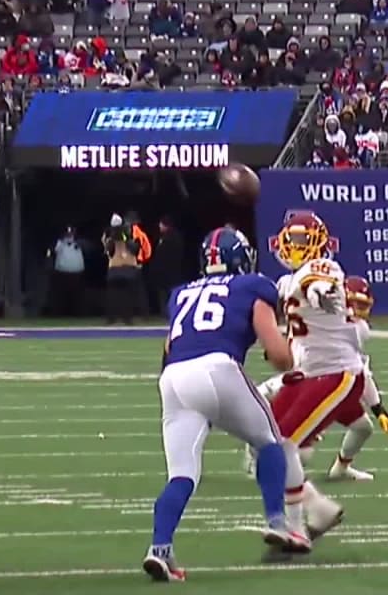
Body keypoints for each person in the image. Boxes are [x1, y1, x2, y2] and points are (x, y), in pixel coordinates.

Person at [144, 226, 305, 583]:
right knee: (269, 441)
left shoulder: (181, 293)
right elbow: (280, 356)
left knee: (182, 474)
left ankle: (160, 548)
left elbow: (169, 349)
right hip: (217, 368)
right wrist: (284, 357)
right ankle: (278, 522)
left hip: (172, 379)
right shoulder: (252, 286)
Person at [267, 212, 364, 540]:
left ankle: (295, 529)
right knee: (266, 444)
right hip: (308, 373)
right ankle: (317, 508)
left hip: (335, 372)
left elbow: (318, 284)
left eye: (301, 240)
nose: (295, 246)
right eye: (291, 239)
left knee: (282, 445)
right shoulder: (287, 280)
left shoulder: (321, 268)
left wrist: (320, 294)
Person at [249, 276, 388, 482]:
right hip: (306, 379)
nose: (357, 311)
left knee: (363, 427)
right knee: (275, 420)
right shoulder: (340, 325)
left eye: (362, 305)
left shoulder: (342, 323)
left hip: (336, 382)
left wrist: (378, 409)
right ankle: (257, 457)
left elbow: (360, 368)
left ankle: (341, 467)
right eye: (353, 304)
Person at [103, 214, 141, 325]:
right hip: (124, 268)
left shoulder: (117, 235)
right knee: (123, 295)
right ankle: (124, 318)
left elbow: (110, 250)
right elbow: (134, 248)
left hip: (117, 268)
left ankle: (114, 318)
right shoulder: (125, 234)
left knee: (115, 295)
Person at [47, 225, 86, 317]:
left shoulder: (80, 243)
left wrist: (79, 243)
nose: (69, 235)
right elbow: (50, 251)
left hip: (77, 275)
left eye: (71, 233)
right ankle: (59, 316)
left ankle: (78, 317)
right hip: (62, 275)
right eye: (67, 233)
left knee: (77, 298)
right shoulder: (59, 243)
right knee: (61, 298)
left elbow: (89, 248)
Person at [152, 216, 185, 316]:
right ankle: (166, 313)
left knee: (168, 293)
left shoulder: (171, 238)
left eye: (161, 224)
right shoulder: (166, 237)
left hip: (169, 271)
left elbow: (166, 254)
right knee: (165, 293)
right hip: (167, 272)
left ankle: (169, 313)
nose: (159, 226)